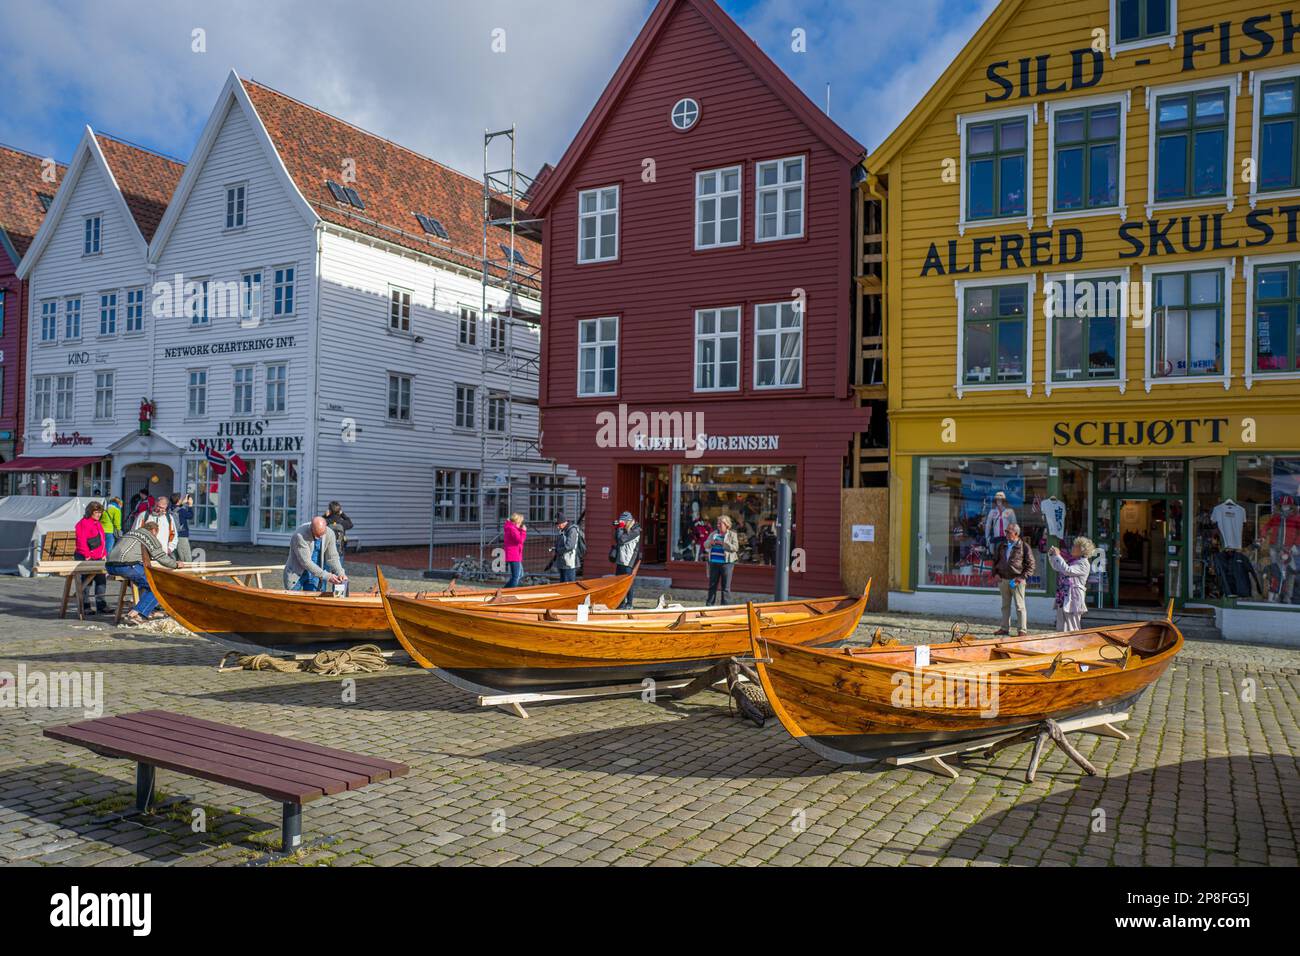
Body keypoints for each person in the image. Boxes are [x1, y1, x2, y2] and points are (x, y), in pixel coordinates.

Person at [105, 520, 187, 625]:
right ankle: (137, 613)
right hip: (127, 565)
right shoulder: (147, 536)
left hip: (110, 566)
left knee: (144, 583)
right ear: (153, 530)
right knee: (157, 586)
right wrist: (175, 564)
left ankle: (146, 607)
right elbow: (160, 556)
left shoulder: (130, 533)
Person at [993, 522, 1035, 636]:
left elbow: (1031, 565)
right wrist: (996, 573)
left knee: (1020, 606)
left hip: (1017, 580)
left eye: (1008, 531)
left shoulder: (1024, 546)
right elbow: (995, 561)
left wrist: (1021, 578)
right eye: (1006, 531)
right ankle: (1004, 628)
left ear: (1016, 533)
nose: (1006, 533)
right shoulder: (1002, 545)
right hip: (1003, 580)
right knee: (1005, 605)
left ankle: (1022, 630)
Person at [284, 516, 347, 592]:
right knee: (293, 601)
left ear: (326, 527)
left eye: (322, 534)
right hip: (297, 574)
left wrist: (340, 572)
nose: (319, 537)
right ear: (311, 528)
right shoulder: (300, 535)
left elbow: (332, 557)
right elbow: (306, 562)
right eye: (317, 535)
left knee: (313, 601)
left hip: (316, 575)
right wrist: (328, 576)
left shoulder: (330, 533)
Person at [1048, 536, 1096, 632]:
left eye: (1075, 546)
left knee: (1072, 627)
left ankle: (1074, 646)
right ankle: (1061, 646)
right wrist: (1052, 556)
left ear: (1082, 550)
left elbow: (1067, 570)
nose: (1072, 548)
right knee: (1061, 628)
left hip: (1073, 599)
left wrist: (1058, 556)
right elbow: (1057, 567)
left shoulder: (1083, 563)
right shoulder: (1073, 561)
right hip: (1064, 597)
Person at [74, 501, 110, 616]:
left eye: (100, 512)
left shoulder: (97, 523)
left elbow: (102, 540)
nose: (98, 514)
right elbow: (81, 541)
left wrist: (104, 553)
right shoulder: (83, 523)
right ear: (90, 512)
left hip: (98, 556)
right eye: (96, 512)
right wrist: (87, 555)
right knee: (86, 582)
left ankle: (101, 605)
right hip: (86, 556)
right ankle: (85, 606)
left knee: (101, 581)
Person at [705, 514, 739, 606]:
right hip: (714, 563)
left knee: (726, 587)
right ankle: (709, 606)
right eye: (718, 523)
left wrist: (723, 543)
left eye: (720, 523)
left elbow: (735, 548)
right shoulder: (713, 533)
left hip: (727, 564)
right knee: (712, 586)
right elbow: (705, 544)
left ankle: (725, 607)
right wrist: (710, 543)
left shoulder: (732, 534)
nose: (718, 525)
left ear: (726, 524)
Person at [612, 511, 642, 609]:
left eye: (623, 521)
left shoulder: (635, 530)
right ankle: (621, 603)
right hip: (620, 559)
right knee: (619, 583)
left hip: (628, 561)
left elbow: (622, 540)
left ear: (628, 521)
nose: (622, 523)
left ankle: (629, 604)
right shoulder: (624, 529)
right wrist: (617, 528)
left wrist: (620, 527)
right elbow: (617, 539)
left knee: (628, 583)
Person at [552, 514, 583, 583]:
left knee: (569, 584)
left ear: (563, 522)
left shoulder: (572, 530)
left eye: (558, 524)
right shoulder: (563, 530)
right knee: (563, 584)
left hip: (569, 563)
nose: (557, 527)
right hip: (563, 562)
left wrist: (558, 550)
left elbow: (569, 546)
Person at [503, 513, 527, 588]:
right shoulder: (512, 529)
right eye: (520, 522)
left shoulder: (511, 528)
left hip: (515, 554)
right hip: (514, 555)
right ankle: (505, 591)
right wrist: (523, 531)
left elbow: (515, 536)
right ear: (517, 522)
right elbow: (519, 540)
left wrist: (520, 529)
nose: (520, 524)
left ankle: (505, 590)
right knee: (516, 577)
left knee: (520, 574)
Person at [172, 492, 195, 563]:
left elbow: (176, 507)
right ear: (178, 500)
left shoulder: (170, 508)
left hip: (173, 535)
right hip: (181, 535)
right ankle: (187, 572)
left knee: (174, 556)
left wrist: (182, 503)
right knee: (186, 557)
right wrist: (190, 505)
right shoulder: (181, 510)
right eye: (181, 498)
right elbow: (190, 516)